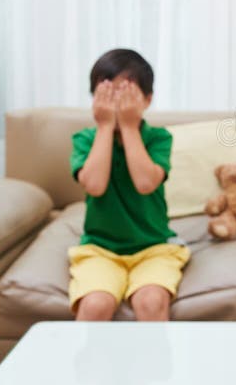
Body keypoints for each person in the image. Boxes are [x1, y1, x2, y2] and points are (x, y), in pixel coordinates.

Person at [67, 49, 190, 321]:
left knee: (151, 301)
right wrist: (104, 127)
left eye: (125, 94)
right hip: (99, 250)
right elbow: (94, 186)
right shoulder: (85, 139)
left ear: (147, 100)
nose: (117, 103)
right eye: (108, 94)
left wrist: (130, 127)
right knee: (95, 304)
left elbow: (146, 183)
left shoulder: (158, 138)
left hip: (154, 248)